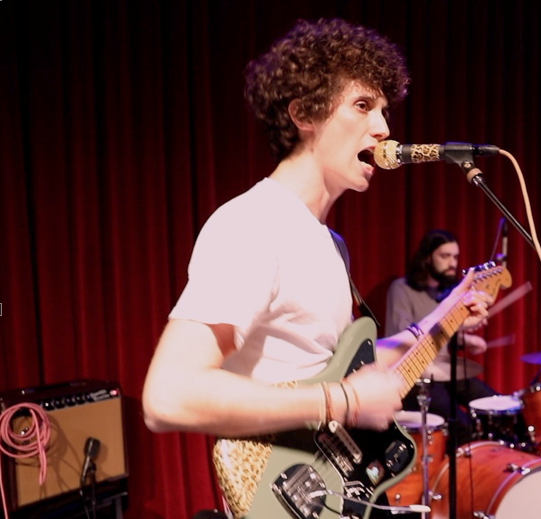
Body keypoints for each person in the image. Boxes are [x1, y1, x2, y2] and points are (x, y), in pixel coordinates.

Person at [141, 16, 490, 459]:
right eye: (363, 106)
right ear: (304, 113)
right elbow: (168, 395)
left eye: (384, 111)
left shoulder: (329, 243)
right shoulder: (255, 224)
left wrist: (451, 313)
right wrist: (341, 401)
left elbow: (343, 367)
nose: (384, 128)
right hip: (281, 490)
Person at [385, 229, 499, 439]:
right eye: (445, 256)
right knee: (463, 426)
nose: (452, 263)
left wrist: (465, 340)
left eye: (455, 257)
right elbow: (401, 334)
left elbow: (442, 334)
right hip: (417, 376)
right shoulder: (401, 289)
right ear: (428, 258)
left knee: (496, 407)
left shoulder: (448, 292)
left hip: (447, 371)